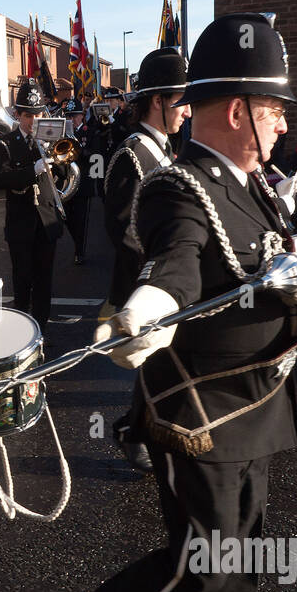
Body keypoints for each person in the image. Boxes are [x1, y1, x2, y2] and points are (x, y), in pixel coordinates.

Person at [56, 13, 297, 592]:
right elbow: (174, 261)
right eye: (272, 110)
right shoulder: (180, 186)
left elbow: (266, 259)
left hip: (257, 400)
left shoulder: (256, 180)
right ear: (239, 108)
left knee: (245, 555)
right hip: (199, 410)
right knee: (202, 563)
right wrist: (144, 307)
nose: (279, 124)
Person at [102, 47, 190, 474]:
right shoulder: (131, 155)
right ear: (158, 101)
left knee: (161, 366)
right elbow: (123, 231)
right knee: (156, 364)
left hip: (166, 282)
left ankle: (136, 429)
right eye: (181, 100)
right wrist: (160, 275)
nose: (187, 111)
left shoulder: (163, 150)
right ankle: (134, 431)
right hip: (145, 285)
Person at [0, 77, 67, 333]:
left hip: (46, 222)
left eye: (38, 113)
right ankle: (22, 332)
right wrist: (33, 168)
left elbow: (66, 173)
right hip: (21, 223)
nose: (34, 120)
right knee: (22, 281)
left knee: (45, 281)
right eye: (28, 115)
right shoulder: (5, 143)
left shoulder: (49, 137)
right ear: (17, 114)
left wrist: (58, 158)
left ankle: (41, 330)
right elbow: (3, 177)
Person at [60, 98, 94, 265]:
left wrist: (96, 183)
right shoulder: (63, 135)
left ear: (82, 116)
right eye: (68, 116)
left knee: (81, 220)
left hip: (84, 183)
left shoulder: (89, 132)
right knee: (66, 216)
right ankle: (76, 242)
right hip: (67, 183)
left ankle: (79, 251)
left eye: (74, 116)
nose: (72, 120)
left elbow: (96, 157)